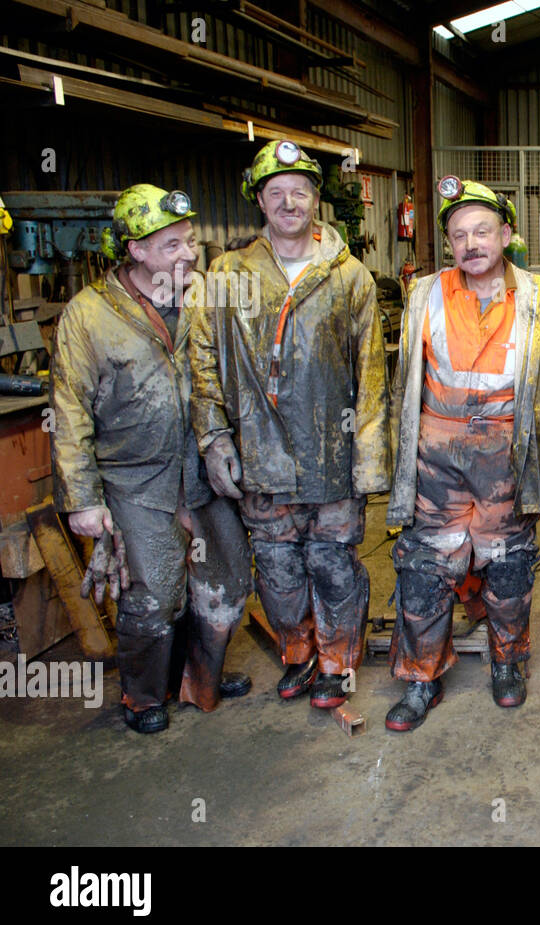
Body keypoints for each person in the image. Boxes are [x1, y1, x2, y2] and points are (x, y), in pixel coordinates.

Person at [384, 177, 540, 727]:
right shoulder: (422, 294)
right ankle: (420, 677)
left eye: (482, 231)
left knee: (508, 567)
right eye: (459, 235)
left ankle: (507, 662)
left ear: (506, 233)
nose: (471, 243)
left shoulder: (537, 297)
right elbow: (403, 384)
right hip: (437, 458)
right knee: (425, 568)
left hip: (507, 454)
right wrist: (393, 460)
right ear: (448, 244)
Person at [190, 140, 390, 711]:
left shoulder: (348, 276)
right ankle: (298, 655)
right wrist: (213, 436)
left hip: (332, 456)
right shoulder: (228, 275)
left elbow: (371, 371)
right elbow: (203, 360)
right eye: (275, 193)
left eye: (298, 191)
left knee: (332, 563)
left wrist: (370, 456)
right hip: (261, 456)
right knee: (276, 567)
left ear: (315, 199)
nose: (288, 202)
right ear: (259, 201)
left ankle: (337, 663)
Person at [51, 184, 252, 734]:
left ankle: (200, 677)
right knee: (154, 595)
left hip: (203, 469)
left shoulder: (206, 294)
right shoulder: (88, 317)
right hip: (136, 480)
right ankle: (143, 695)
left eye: (190, 241)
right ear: (136, 250)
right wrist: (83, 500)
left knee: (227, 584)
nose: (189, 254)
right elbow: (68, 411)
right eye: (172, 245)